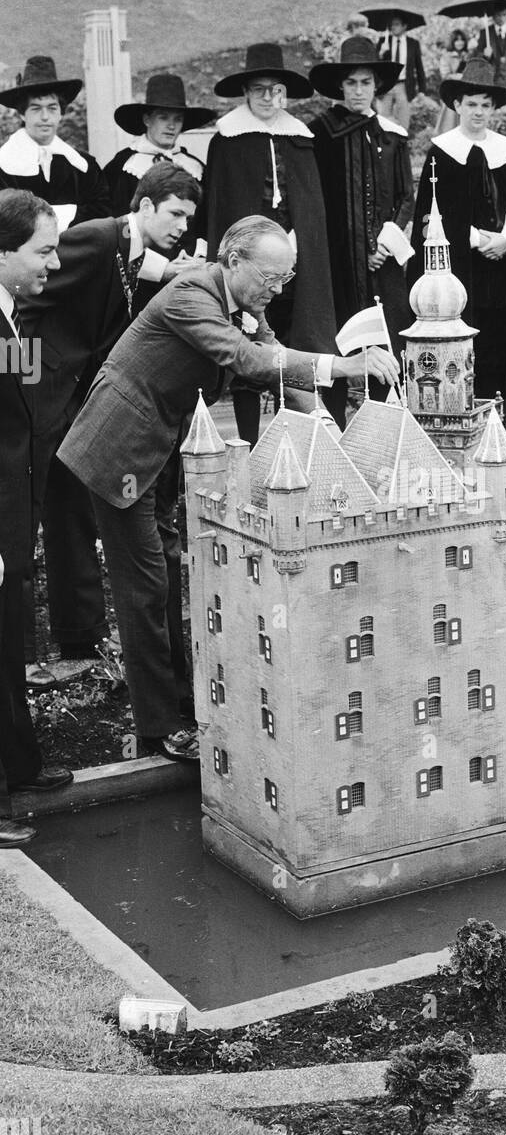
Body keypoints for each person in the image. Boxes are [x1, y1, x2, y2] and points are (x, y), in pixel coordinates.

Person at [56, 217, 399, 761]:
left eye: (287, 279)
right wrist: (344, 367)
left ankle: (176, 703)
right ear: (233, 261)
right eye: (270, 277)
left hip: (158, 452)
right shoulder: (191, 294)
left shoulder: (243, 302)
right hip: (119, 449)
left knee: (166, 575)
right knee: (145, 588)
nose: (278, 290)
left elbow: (280, 365)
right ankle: (159, 728)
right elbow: (247, 360)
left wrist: (333, 434)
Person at [18, 164, 202, 670]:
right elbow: (26, 302)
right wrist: (31, 376)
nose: (183, 226)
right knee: (43, 513)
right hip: (47, 394)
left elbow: (132, 267)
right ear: (144, 206)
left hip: (73, 398)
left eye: (189, 216)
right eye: (175, 213)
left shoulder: (128, 247)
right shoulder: (97, 237)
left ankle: (81, 635)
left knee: (71, 509)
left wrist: (170, 271)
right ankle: (39, 650)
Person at [201, 43, 338, 444]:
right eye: (260, 89)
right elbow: (220, 204)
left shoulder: (299, 138)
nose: (268, 98)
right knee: (247, 339)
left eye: (276, 90)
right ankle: (248, 441)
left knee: (292, 342)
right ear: (246, 92)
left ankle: (291, 438)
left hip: (295, 260)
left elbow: (311, 204)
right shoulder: (228, 139)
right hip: (249, 263)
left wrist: (300, 237)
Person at [0, 190, 74, 846]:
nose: (53, 263)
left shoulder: (11, 318)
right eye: (42, 250)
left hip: (14, 517)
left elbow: (15, 409)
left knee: (10, 647)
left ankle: (18, 766)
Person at [408, 58, 506, 408]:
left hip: (504, 268)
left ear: (493, 108)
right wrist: (477, 238)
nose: (478, 112)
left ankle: (500, 415)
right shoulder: (441, 152)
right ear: (458, 106)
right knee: (466, 343)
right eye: (471, 104)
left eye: (485, 105)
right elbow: (431, 218)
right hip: (462, 268)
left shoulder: (505, 150)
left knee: (499, 339)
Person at [308, 37, 415, 423]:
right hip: (338, 262)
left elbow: (406, 197)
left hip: (383, 263)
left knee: (389, 339)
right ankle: (335, 429)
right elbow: (315, 200)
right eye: (351, 83)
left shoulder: (391, 135)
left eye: (365, 83)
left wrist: (383, 242)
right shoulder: (320, 134)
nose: (357, 90)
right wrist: (357, 247)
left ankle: (386, 426)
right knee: (339, 344)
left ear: (376, 87)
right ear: (341, 86)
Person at [0, 55, 110, 232]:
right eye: (36, 108)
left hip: (78, 255)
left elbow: (102, 215)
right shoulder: (4, 164)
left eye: (52, 108)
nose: (45, 117)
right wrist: (71, 213)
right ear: (22, 114)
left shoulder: (84, 166)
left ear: (61, 113)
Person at [104, 73, 211, 218]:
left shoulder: (194, 167)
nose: (171, 126)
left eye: (178, 119)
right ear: (147, 119)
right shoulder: (126, 166)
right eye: (163, 118)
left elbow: (206, 218)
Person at [376, 11, 427, 132]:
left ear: (404, 26)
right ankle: (382, 145)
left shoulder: (413, 43)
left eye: (397, 24)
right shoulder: (384, 41)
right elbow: (375, 65)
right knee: (383, 118)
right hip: (386, 84)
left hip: (404, 85)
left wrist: (422, 90)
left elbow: (419, 67)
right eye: (391, 24)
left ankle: (402, 143)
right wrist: (381, 53)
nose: (393, 27)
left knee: (404, 119)